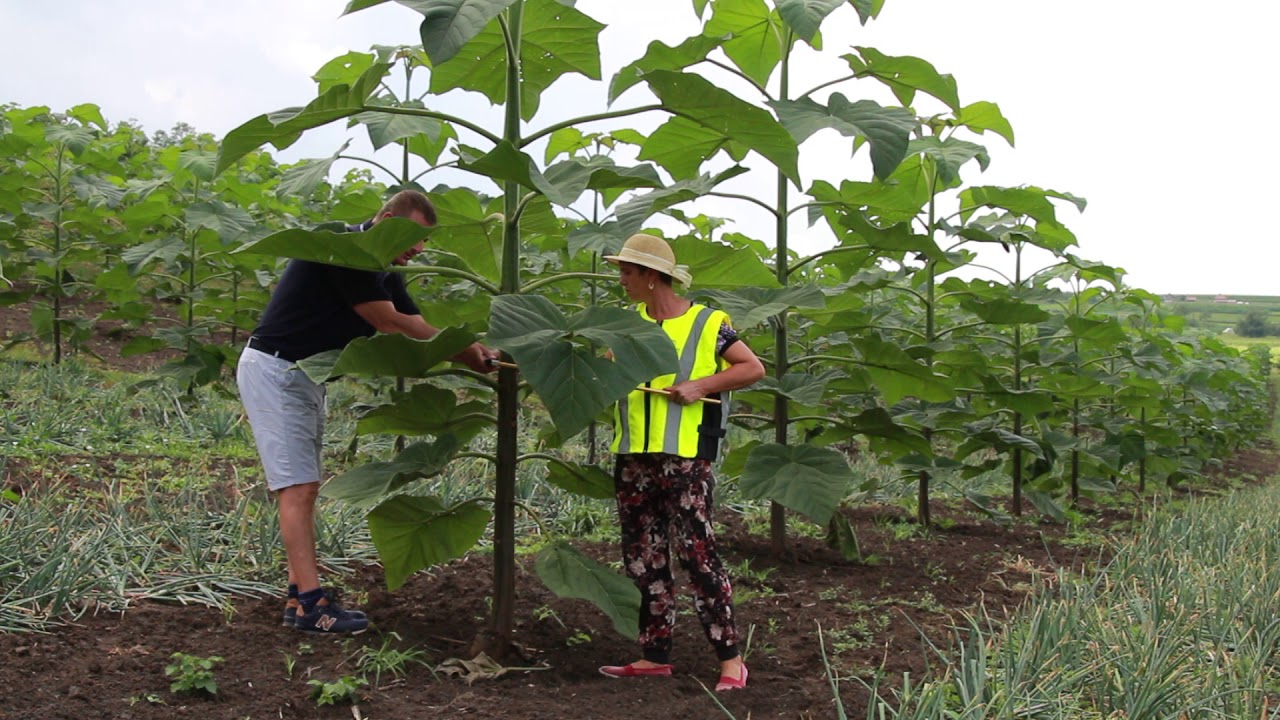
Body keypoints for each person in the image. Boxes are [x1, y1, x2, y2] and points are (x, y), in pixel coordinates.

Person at [236, 189, 496, 634]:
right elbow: (388, 322)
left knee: (304, 486)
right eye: (414, 236)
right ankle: (312, 605)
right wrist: (465, 350)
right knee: (297, 488)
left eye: (425, 241)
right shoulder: (348, 250)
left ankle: (299, 597)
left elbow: (414, 322)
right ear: (388, 221)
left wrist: (474, 348)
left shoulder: (382, 266)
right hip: (276, 370)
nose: (419, 249)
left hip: (302, 375)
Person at [598, 234, 766, 691]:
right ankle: (654, 656)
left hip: (685, 457)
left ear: (652, 276)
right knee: (642, 556)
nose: (622, 280)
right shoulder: (625, 323)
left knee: (697, 555)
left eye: (627, 272)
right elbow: (605, 372)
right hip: (633, 455)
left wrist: (701, 385)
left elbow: (752, 368)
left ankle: (731, 660)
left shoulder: (708, 323)